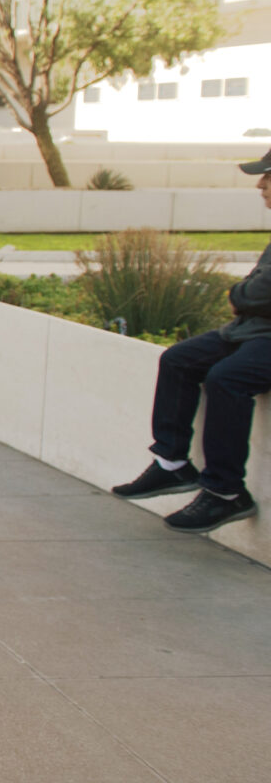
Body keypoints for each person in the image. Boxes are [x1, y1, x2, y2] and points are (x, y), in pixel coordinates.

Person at [110, 150, 271, 532]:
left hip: (261, 332)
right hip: (252, 329)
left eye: (267, 176)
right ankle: (172, 464)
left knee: (227, 379)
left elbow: (255, 293)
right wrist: (247, 296)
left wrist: (242, 295)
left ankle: (226, 493)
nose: (260, 185)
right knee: (179, 359)